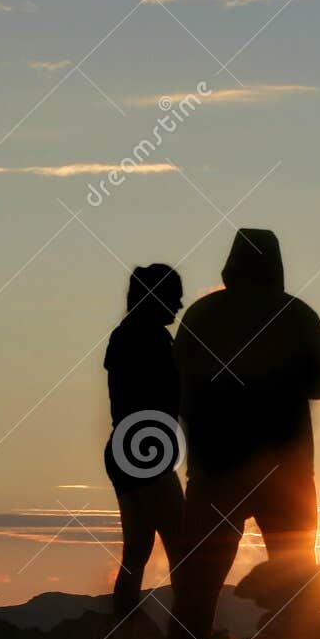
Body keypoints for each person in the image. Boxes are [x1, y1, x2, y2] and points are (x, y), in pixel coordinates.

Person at [171, 229, 320, 639]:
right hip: (287, 471)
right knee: (294, 572)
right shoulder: (297, 315)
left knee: (200, 579)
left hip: (215, 465)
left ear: (231, 264)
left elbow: (176, 386)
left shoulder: (201, 316)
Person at [103, 264, 185, 618]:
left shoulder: (126, 335)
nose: (179, 305)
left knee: (136, 551)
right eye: (174, 297)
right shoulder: (150, 339)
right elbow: (172, 394)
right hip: (144, 451)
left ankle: (124, 633)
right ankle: (187, 635)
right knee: (181, 548)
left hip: (126, 449)